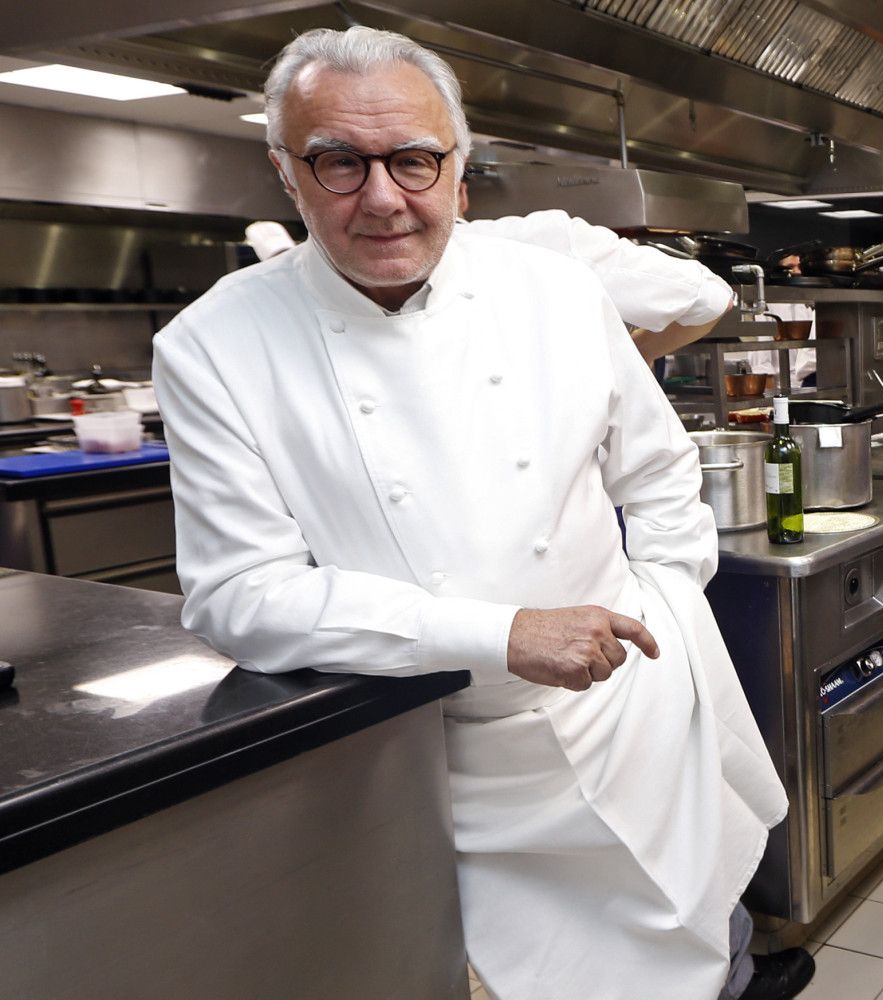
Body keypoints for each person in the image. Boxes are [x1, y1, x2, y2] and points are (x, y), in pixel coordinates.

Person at [154, 26, 796, 1000]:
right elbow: (239, 595)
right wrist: (501, 635)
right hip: (451, 755)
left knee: (704, 923)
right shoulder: (213, 345)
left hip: (632, 709)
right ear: (286, 171)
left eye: (413, 159)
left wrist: (664, 607)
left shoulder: (556, 291)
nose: (382, 197)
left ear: (458, 169)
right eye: (339, 161)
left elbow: (663, 476)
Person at [247, 209, 735, 363]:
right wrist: (638, 353)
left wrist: (629, 358)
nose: (384, 198)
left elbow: (709, 297)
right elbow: (711, 300)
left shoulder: (545, 241)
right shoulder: (304, 281)